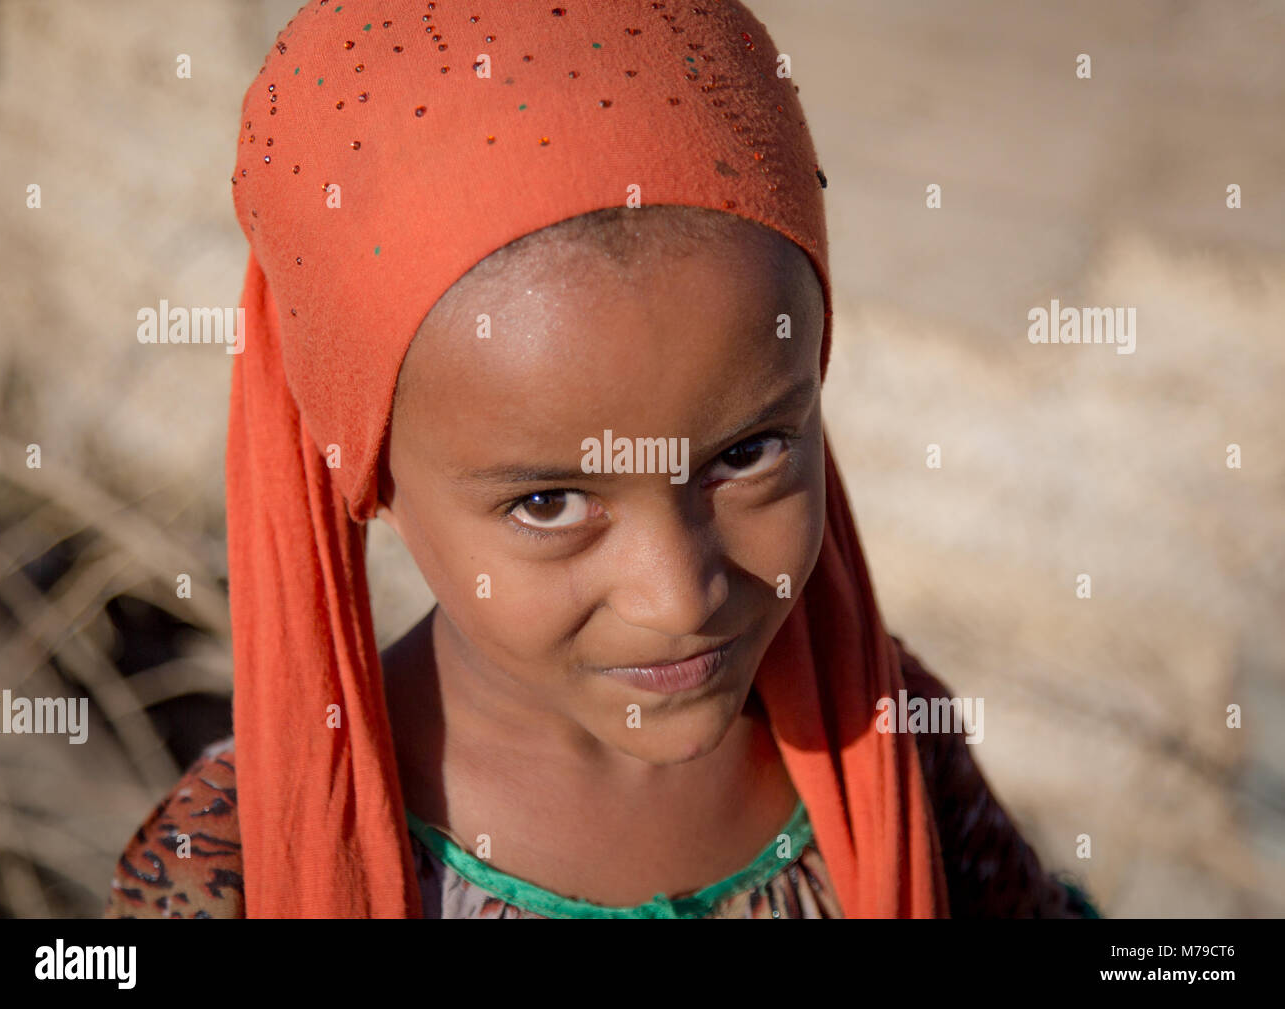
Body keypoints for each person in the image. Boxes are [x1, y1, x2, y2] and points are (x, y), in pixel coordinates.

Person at [105, 0, 1098, 919]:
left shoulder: (886, 738)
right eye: (547, 502)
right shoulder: (229, 864)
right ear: (370, 481)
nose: (676, 598)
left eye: (748, 452)